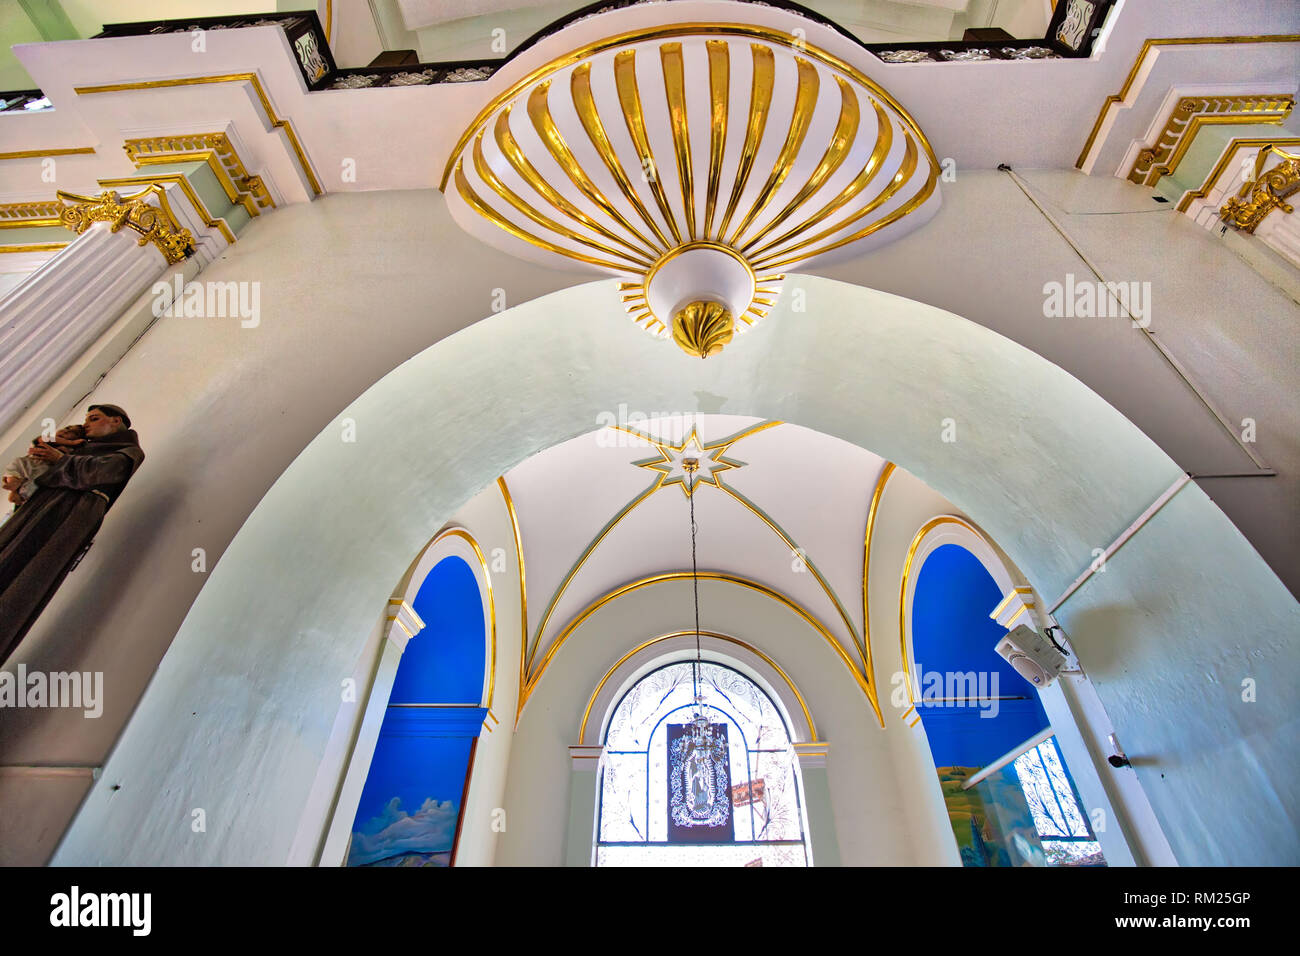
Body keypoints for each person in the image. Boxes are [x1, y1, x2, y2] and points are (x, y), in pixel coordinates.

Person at [0, 405, 144, 664]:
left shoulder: (129, 451)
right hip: (38, 511)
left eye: (94, 418)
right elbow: (44, 478)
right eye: (86, 419)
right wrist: (23, 484)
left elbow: (101, 472)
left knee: (25, 576)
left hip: (69, 515)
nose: (87, 424)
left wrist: (59, 461)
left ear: (116, 421)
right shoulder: (76, 451)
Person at [3, 424, 87, 508]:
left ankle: (20, 495)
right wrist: (70, 442)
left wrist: (69, 447)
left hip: (43, 469)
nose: (66, 431)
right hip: (29, 462)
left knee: (36, 482)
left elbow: (66, 463)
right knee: (16, 464)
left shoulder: (70, 450)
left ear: (79, 439)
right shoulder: (47, 439)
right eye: (67, 428)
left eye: (74, 433)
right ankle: (13, 483)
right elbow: (42, 439)